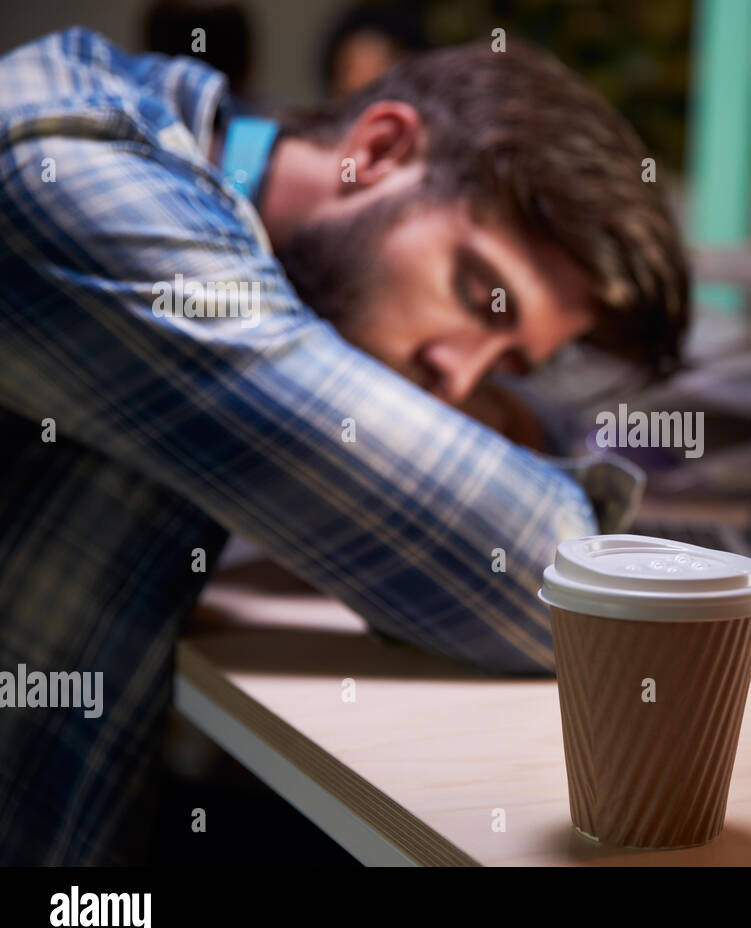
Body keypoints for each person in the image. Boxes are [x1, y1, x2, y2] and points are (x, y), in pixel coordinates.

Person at [0, 27, 688, 864]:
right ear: (381, 148)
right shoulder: (70, 170)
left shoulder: (209, 180)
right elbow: (557, 589)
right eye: (483, 296)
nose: (456, 378)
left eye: (509, 363)